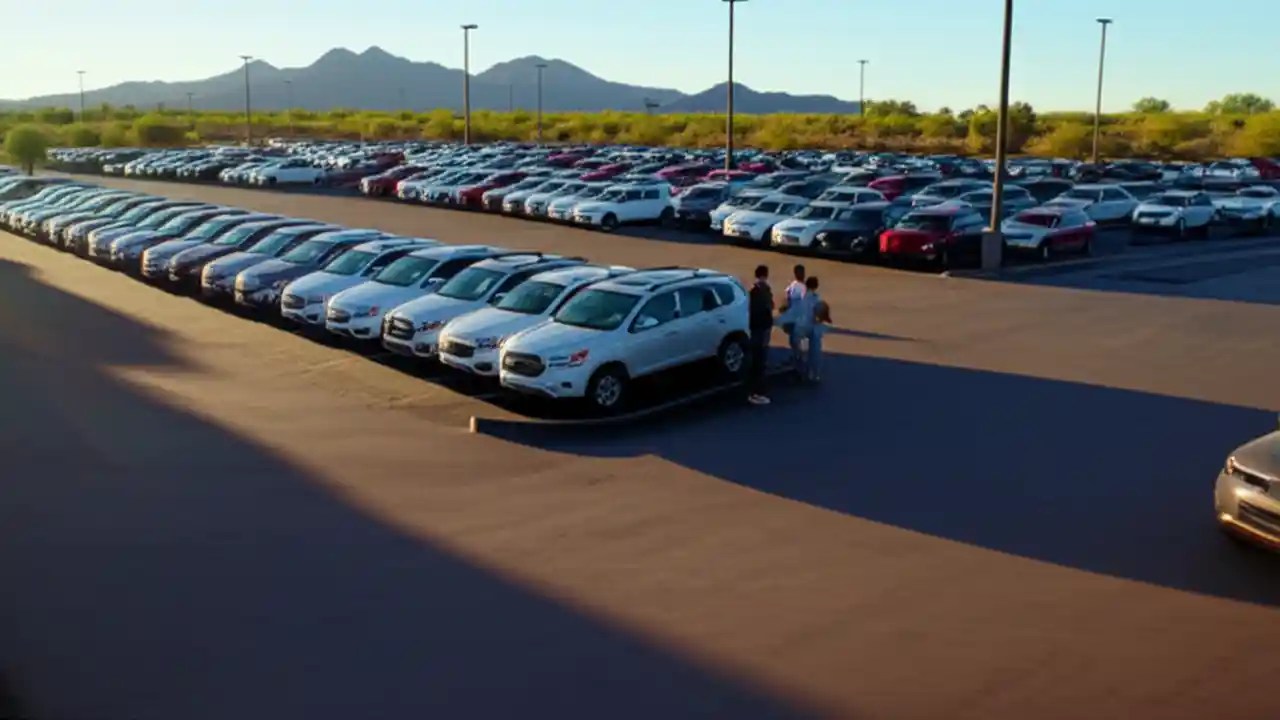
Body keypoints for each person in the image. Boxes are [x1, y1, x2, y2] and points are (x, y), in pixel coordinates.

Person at [747, 264, 774, 405]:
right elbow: (769, 307)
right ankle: (758, 393)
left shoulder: (752, 291)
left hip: (754, 328)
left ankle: (753, 391)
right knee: (761, 361)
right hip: (762, 328)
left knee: (755, 360)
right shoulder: (765, 290)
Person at [797, 276, 831, 382]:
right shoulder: (817, 298)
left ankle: (802, 371)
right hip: (813, 327)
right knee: (815, 351)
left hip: (801, 327)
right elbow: (820, 315)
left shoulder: (801, 297)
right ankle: (814, 373)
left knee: (801, 350)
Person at [779, 264, 806, 367]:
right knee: (793, 340)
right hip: (793, 317)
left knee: (796, 339)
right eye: (799, 273)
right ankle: (796, 357)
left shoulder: (803, 287)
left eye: (802, 273)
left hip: (799, 318)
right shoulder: (794, 285)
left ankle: (799, 360)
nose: (801, 275)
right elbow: (787, 297)